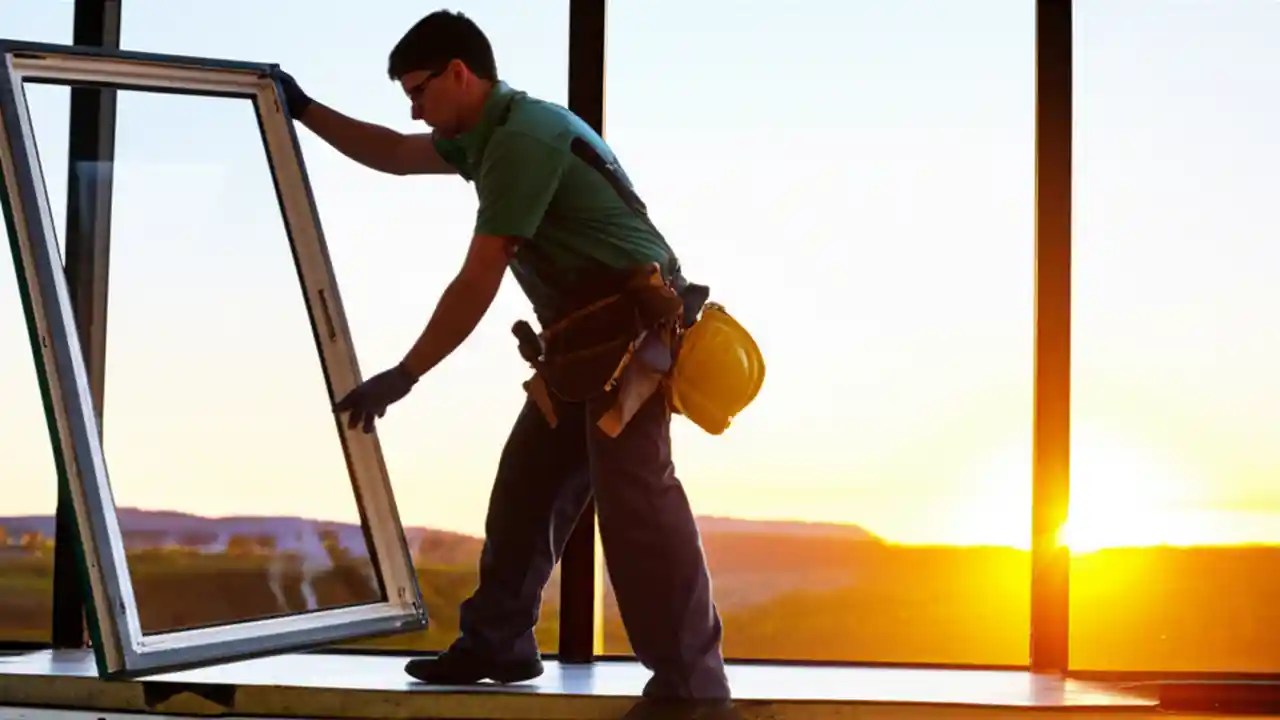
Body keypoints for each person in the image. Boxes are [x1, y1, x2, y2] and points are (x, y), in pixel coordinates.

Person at [274, 10, 732, 702]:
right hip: (580, 345)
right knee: (525, 489)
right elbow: (397, 155)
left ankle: (694, 689)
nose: (416, 110)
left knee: (638, 503)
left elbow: (479, 275)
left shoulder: (523, 141)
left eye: (420, 91)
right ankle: (499, 645)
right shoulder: (486, 135)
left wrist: (405, 373)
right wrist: (304, 109)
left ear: (461, 74)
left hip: (632, 341)